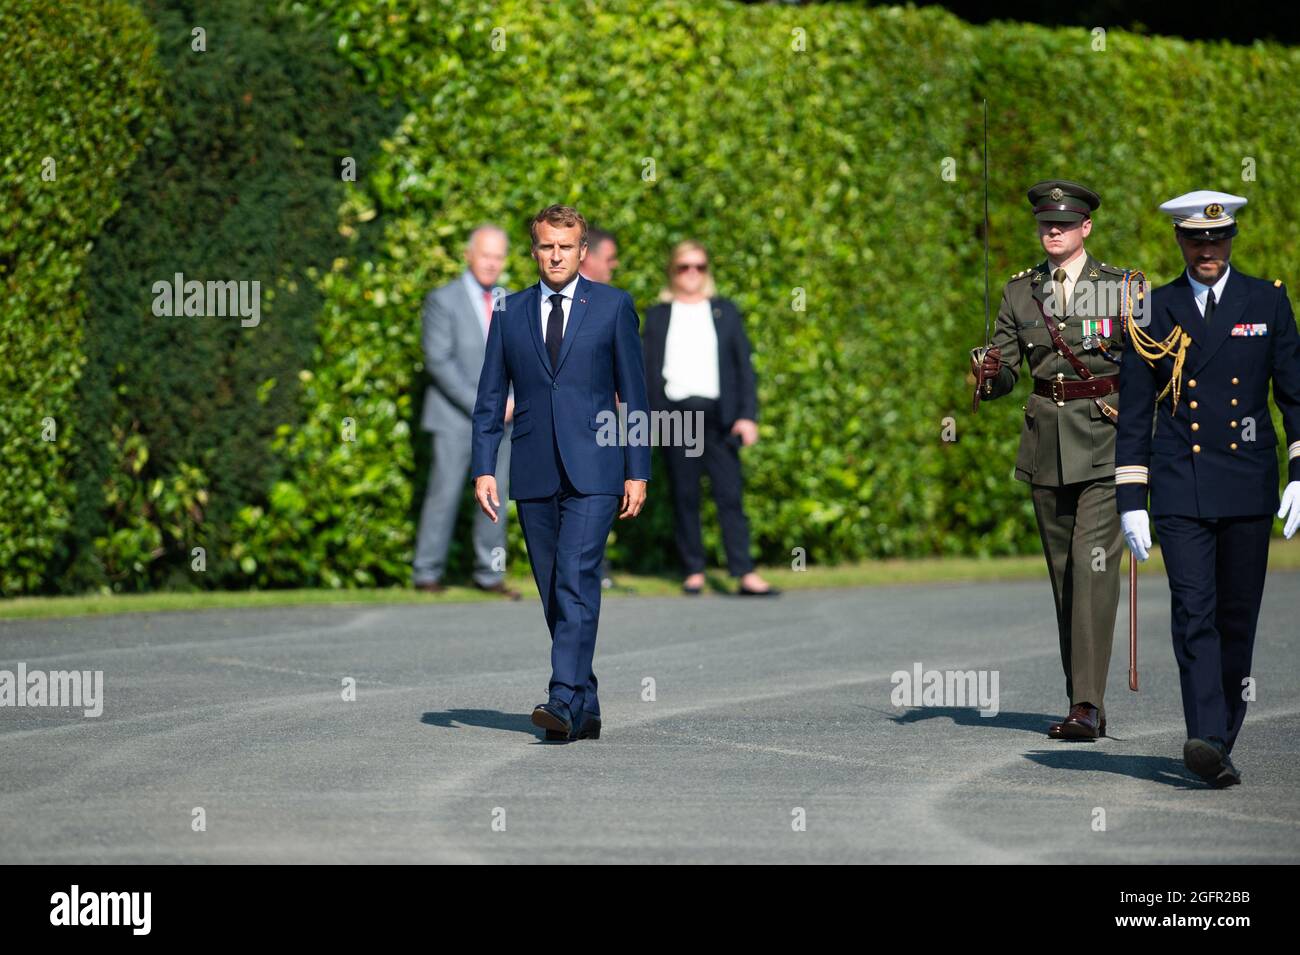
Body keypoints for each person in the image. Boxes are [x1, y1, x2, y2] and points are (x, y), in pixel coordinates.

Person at [1116, 190, 1300, 787]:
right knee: (1194, 612)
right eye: (1196, 240)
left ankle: (1219, 737)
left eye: (1217, 240)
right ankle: (1206, 736)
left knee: (1237, 619)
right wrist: (1130, 501)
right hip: (1181, 487)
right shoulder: (1152, 310)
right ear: (1180, 242)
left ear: (1231, 241)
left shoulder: (1266, 301)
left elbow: (1293, 397)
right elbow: (1136, 410)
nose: (1207, 250)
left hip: (1247, 484)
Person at [471, 205, 651, 742]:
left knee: (575, 577)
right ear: (535, 250)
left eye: (566, 247)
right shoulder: (509, 310)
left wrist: (636, 469)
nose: (556, 255)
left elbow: (635, 397)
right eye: (547, 246)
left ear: (582, 251)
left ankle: (561, 697)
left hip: (596, 470)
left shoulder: (614, 307)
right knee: (553, 589)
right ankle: (587, 703)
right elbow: (488, 397)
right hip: (532, 469)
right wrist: (484, 466)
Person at [971, 180, 1136, 740]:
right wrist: (989, 377)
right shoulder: (1021, 292)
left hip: (1107, 440)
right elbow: (1010, 372)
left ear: (1085, 227)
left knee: (1093, 568)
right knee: (1065, 577)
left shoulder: (1121, 288)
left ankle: (1087, 705)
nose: (1053, 231)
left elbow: (1152, 366)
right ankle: (1082, 700)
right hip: (1046, 444)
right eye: (1046, 223)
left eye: (1064, 223)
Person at [642, 241, 777, 596]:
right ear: (672, 271)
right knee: (684, 496)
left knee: (730, 495)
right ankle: (693, 570)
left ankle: (744, 571)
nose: (692, 274)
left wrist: (747, 416)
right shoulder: (657, 316)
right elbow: (646, 371)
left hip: (719, 416)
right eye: (684, 267)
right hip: (676, 416)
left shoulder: (725, 312)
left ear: (707, 270)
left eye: (699, 267)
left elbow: (742, 368)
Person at [413, 225, 519, 598]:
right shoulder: (444, 299)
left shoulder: (510, 301)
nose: (491, 263)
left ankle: (490, 575)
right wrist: (485, 405)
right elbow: (439, 362)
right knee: (443, 494)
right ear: (469, 255)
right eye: (485, 254)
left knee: (496, 497)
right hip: (454, 417)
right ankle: (427, 572)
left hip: (501, 420)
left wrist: (514, 401)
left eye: (498, 256)